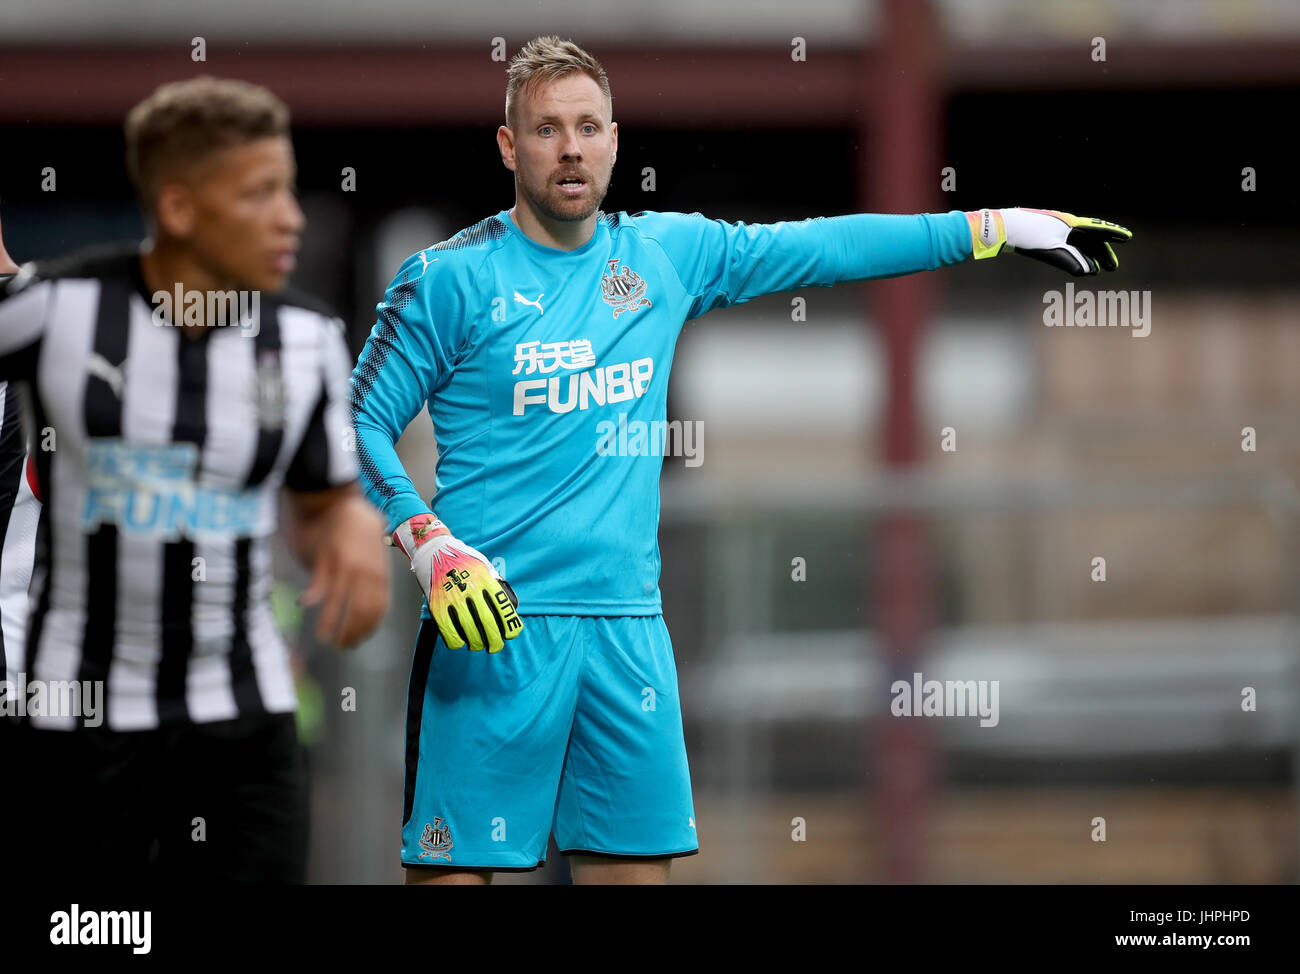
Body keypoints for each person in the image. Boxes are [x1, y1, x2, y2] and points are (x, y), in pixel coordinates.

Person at [349, 35, 1132, 885]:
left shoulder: (663, 255)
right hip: (492, 626)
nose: (569, 148)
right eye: (545, 130)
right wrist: (426, 543)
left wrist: (990, 228)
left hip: (627, 637)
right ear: (509, 146)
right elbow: (354, 420)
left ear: (615, 140)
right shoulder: (448, 279)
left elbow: (822, 248)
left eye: (587, 127)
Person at [0, 76, 390, 883]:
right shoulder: (55, 311)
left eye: (287, 188)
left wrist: (348, 526)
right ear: (179, 210)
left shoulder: (307, 341)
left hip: (242, 724)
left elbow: (320, 503)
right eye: (259, 194)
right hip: (79, 722)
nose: (292, 217)